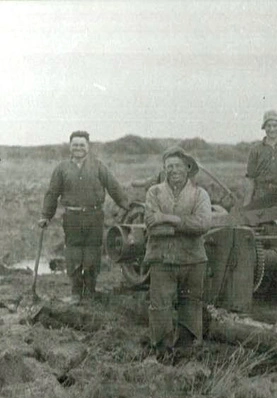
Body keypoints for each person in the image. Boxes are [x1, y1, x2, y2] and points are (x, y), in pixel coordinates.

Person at [39, 130, 130, 304]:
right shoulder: (61, 168)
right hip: (72, 217)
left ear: (88, 147)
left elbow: (114, 187)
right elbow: (52, 194)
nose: (78, 148)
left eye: (82, 145)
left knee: (92, 253)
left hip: (94, 216)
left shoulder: (98, 166)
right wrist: (45, 216)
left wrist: (126, 205)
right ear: (70, 147)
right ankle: (75, 292)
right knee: (73, 253)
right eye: (75, 145)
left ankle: (90, 292)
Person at [143, 146, 212, 351]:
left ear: (188, 168)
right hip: (162, 259)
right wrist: (184, 226)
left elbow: (203, 225)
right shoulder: (154, 192)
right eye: (169, 166)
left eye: (178, 166)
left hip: (193, 260)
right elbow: (151, 225)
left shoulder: (200, 194)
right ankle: (162, 353)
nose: (173, 170)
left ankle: (186, 354)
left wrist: (166, 218)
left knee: (190, 305)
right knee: (160, 307)